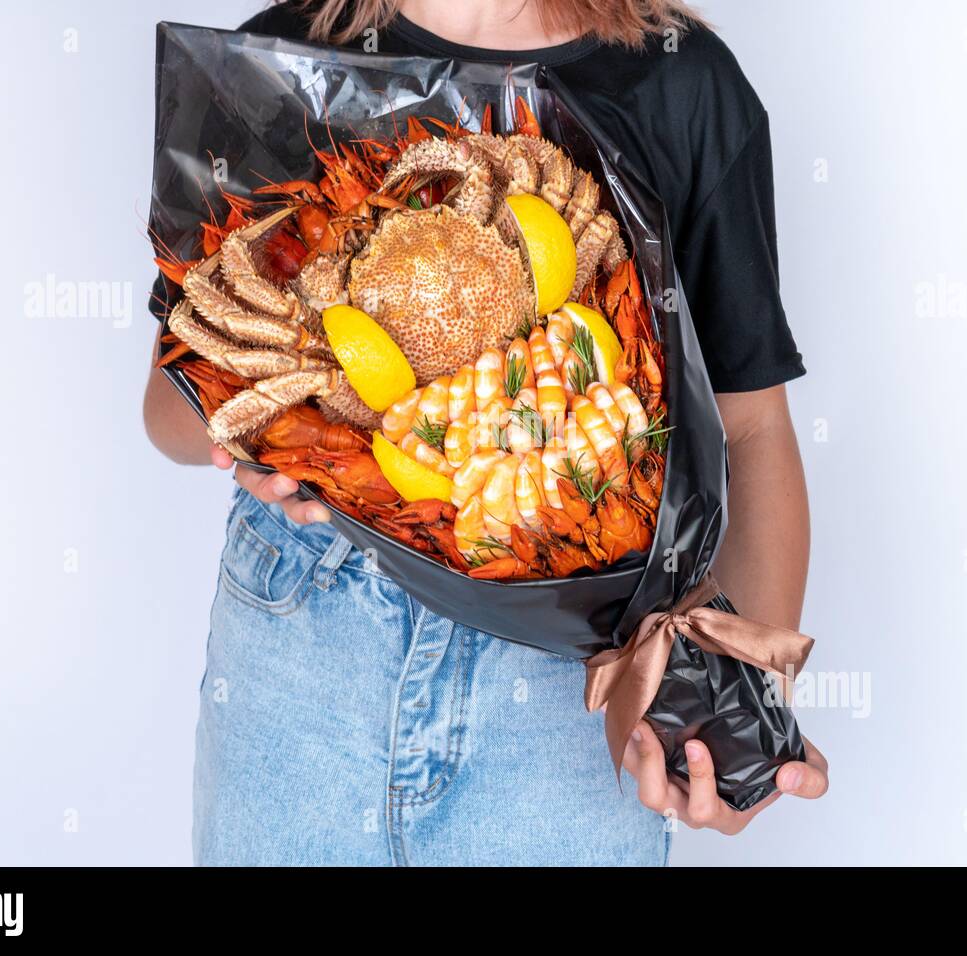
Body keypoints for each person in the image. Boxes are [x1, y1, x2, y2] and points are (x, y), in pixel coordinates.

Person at [143, 0, 827, 866]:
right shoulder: (283, 59)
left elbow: (754, 428)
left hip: (570, 676)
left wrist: (737, 715)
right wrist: (267, 434)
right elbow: (167, 407)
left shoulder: (680, 80)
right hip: (305, 648)